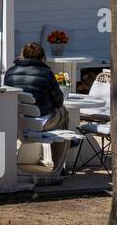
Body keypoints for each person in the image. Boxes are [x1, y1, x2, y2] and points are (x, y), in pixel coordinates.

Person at [4, 41, 70, 172]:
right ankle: (58, 166)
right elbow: (59, 101)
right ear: (42, 57)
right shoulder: (46, 73)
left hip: (18, 123)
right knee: (64, 113)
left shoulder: (10, 72)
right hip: (41, 123)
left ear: (22, 55)